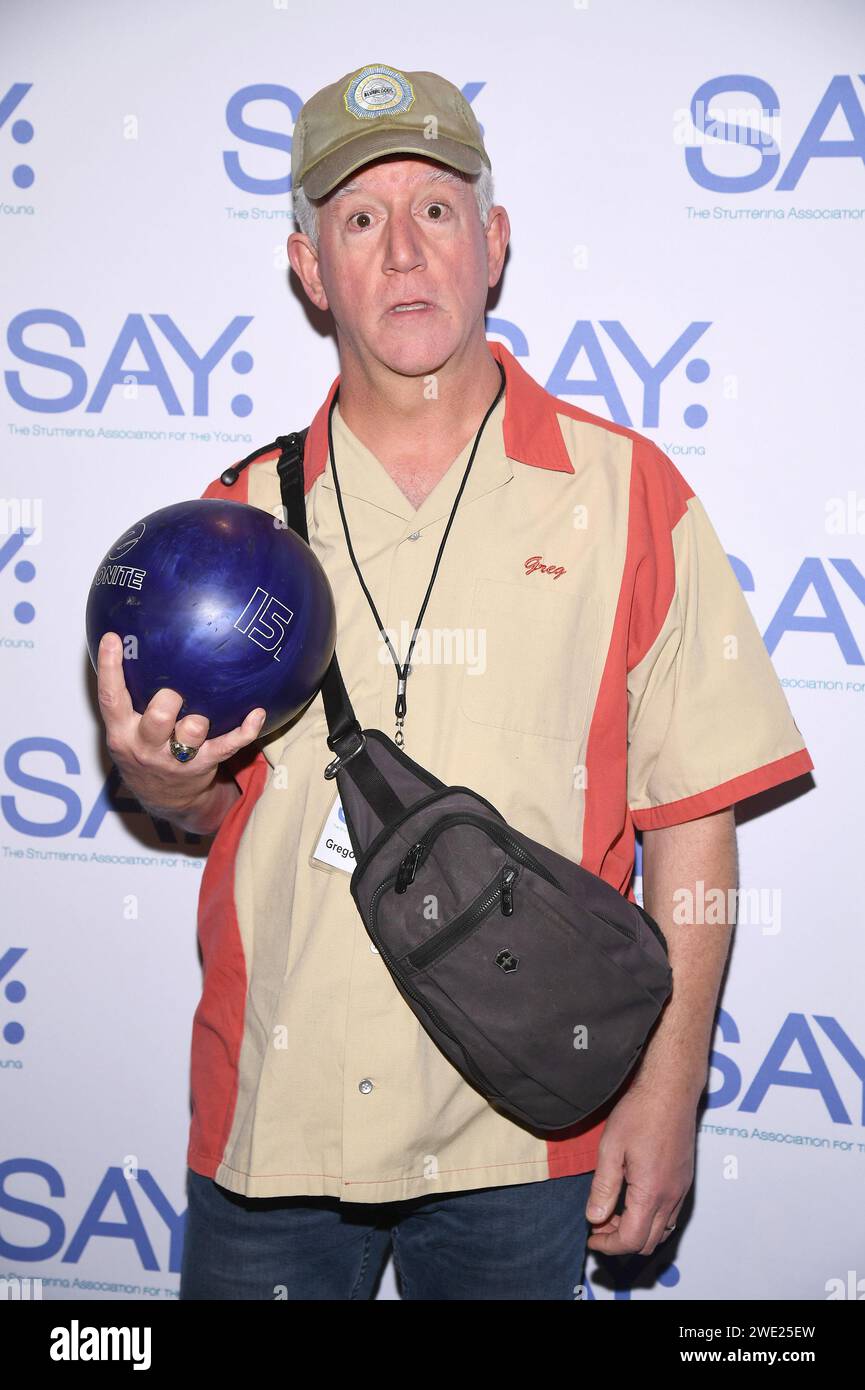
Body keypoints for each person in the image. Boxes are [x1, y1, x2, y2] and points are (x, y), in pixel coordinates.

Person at [95, 63, 814, 1300]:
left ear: (493, 242)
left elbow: (692, 818)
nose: (404, 251)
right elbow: (212, 813)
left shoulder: (627, 492)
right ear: (309, 268)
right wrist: (162, 776)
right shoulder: (232, 522)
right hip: (276, 1128)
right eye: (359, 219)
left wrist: (669, 1089)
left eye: (435, 209)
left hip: (525, 1131)